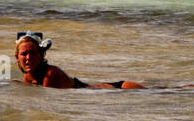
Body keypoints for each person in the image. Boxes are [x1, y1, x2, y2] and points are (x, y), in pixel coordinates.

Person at [13, 32, 143, 89]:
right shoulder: (28, 75)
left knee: (160, 92)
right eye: (24, 54)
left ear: (41, 55)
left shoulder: (50, 74)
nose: (28, 58)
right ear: (17, 57)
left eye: (33, 53)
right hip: (105, 92)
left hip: (117, 90)